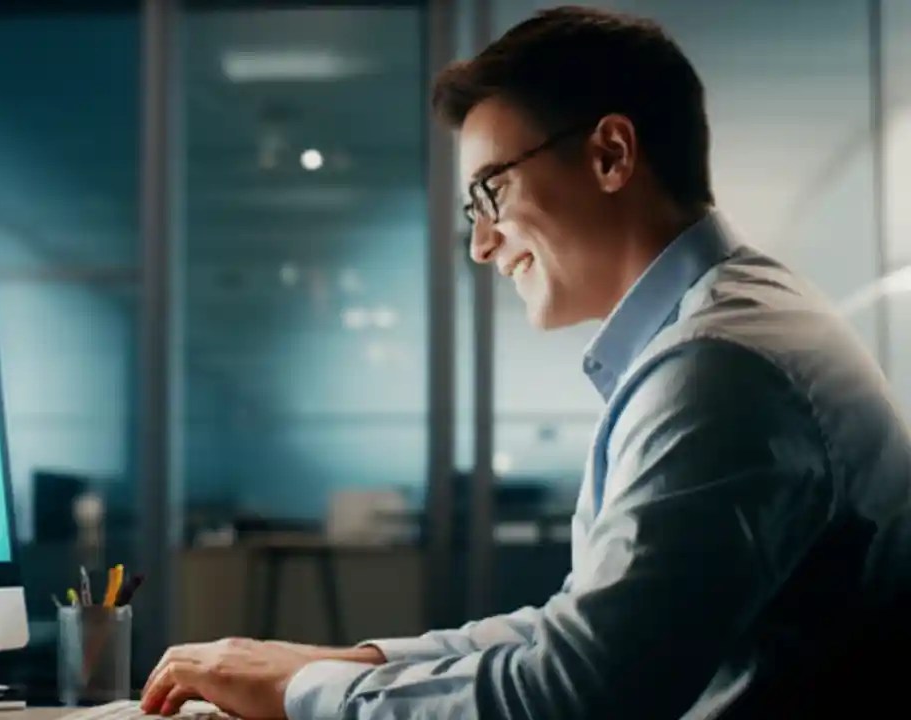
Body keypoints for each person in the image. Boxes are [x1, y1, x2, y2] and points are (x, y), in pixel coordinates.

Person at [140, 5, 911, 718]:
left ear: (611, 154)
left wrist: (310, 693)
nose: (480, 245)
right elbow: (576, 628)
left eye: (489, 194)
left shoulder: (720, 367)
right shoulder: (726, 327)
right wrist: (347, 661)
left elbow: (576, 693)